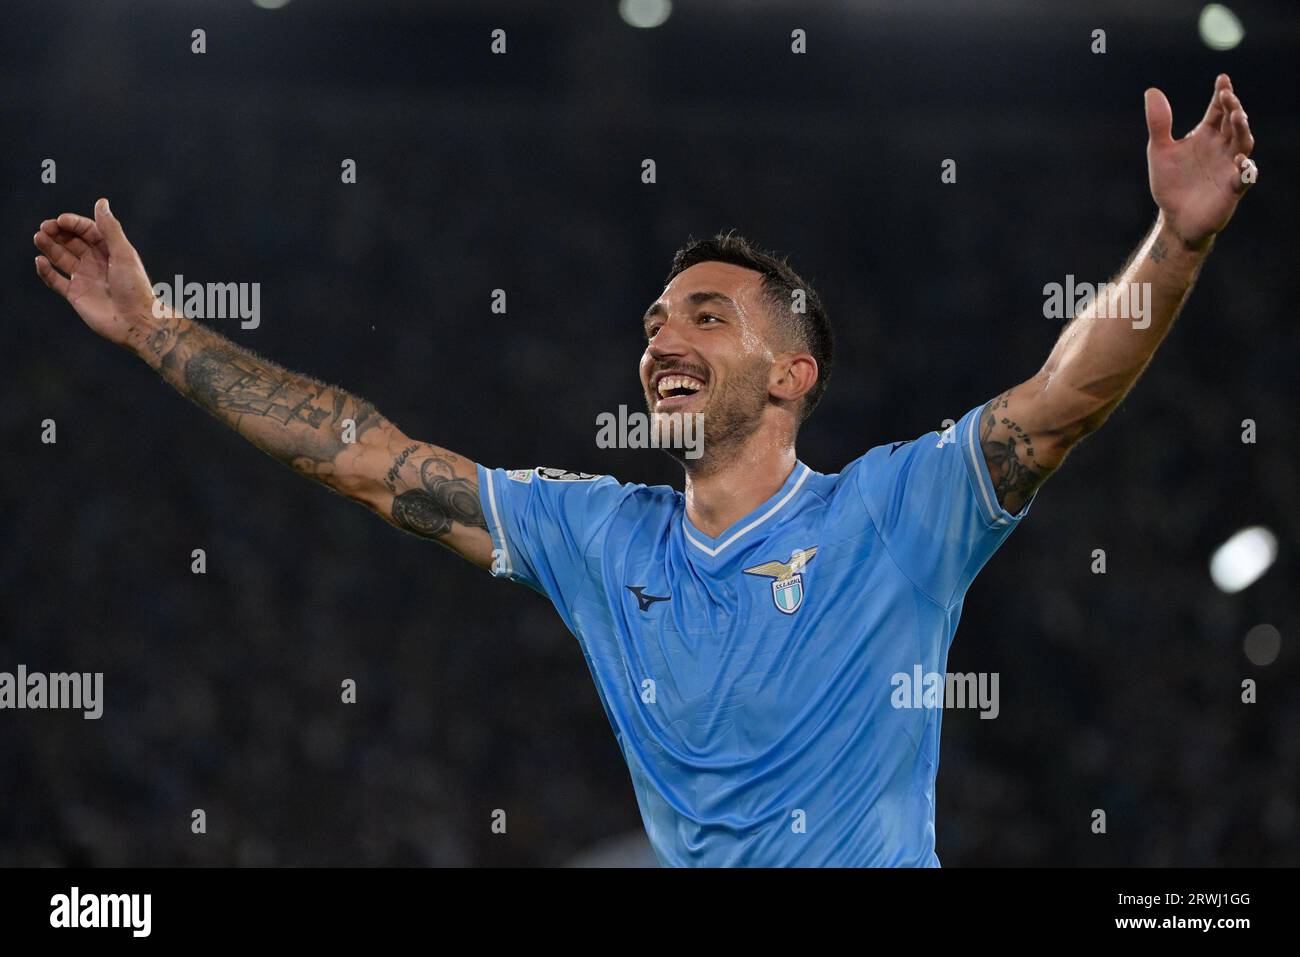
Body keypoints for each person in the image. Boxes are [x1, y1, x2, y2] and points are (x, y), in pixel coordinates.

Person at [33, 76, 1256, 866]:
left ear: (791, 376)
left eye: (707, 318)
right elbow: (370, 460)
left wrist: (1179, 237)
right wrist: (154, 327)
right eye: (653, 324)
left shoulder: (895, 515)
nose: (662, 340)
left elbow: (1058, 403)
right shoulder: (597, 536)